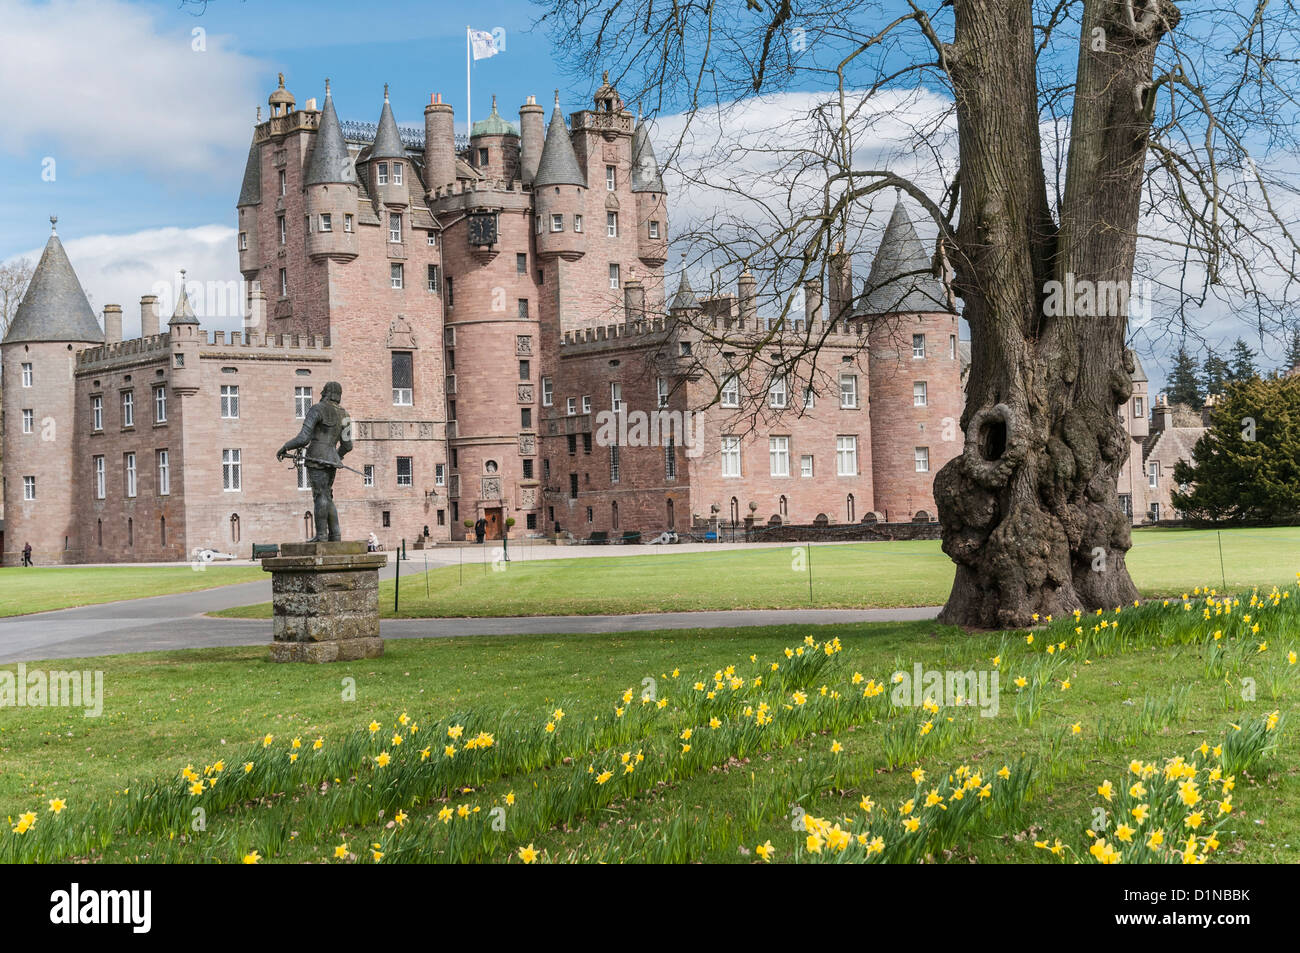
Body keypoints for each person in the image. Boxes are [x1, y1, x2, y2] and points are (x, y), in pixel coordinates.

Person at [276, 381, 352, 542]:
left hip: (316, 456)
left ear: (325, 393)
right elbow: (348, 445)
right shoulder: (345, 415)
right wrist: (336, 456)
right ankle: (335, 534)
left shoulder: (317, 409)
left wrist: (285, 446)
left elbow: (303, 438)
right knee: (327, 495)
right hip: (332, 459)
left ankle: (322, 535)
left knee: (320, 496)